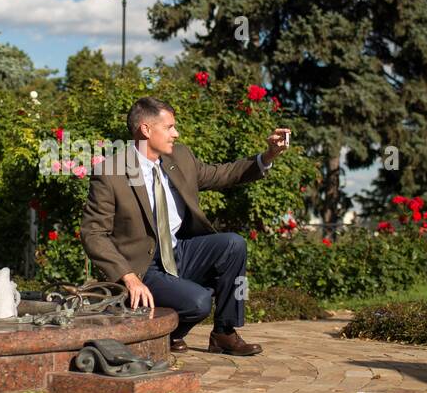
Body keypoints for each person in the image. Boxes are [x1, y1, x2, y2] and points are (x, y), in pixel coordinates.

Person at [80, 96, 291, 356]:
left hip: (179, 251)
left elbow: (222, 174)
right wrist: (128, 276)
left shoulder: (179, 157)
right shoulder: (111, 172)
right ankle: (167, 334)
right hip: (143, 266)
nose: (176, 133)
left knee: (233, 245)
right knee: (199, 302)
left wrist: (268, 155)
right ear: (146, 130)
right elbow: (93, 233)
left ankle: (224, 333)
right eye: (169, 127)